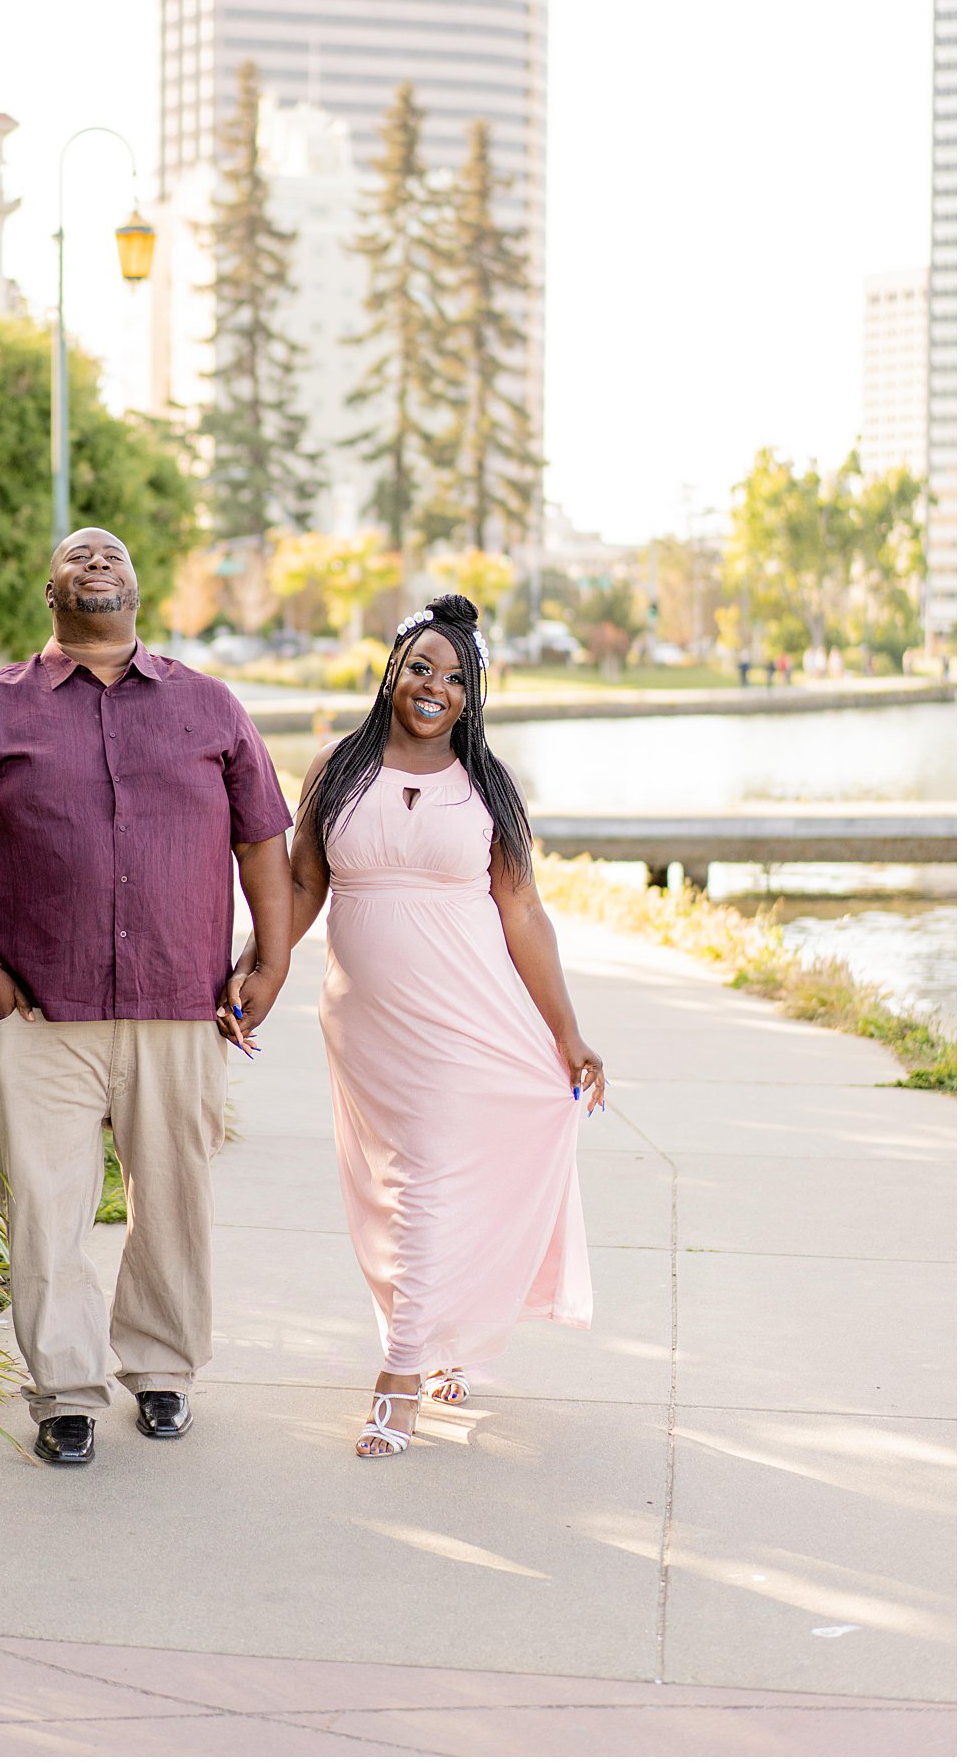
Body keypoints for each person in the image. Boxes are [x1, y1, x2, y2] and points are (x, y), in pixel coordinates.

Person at [0, 528, 293, 1468]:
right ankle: (65, 1392)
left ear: (137, 586)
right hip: (40, 1016)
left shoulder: (208, 706)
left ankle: (161, 1374)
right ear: (51, 590)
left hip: (177, 1007)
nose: (95, 564)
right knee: (45, 1210)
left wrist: (268, 960)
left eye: (111, 555)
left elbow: (262, 842)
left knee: (175, 1202)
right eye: (77, 557)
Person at [226, 593, 603, 1458]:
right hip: (363, 1024)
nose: (434, 686)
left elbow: (523, 913)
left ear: (473, 697)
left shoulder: (488, 788)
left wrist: (567, 1033)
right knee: (388, 1193)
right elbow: (302, 887)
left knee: (431, 1177)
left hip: (466, 1017)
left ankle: (398, 1380)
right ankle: (435, 1335)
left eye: (455, 677)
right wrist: (256, 966)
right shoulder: (336, 767)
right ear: (391, 671)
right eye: (420, 666)